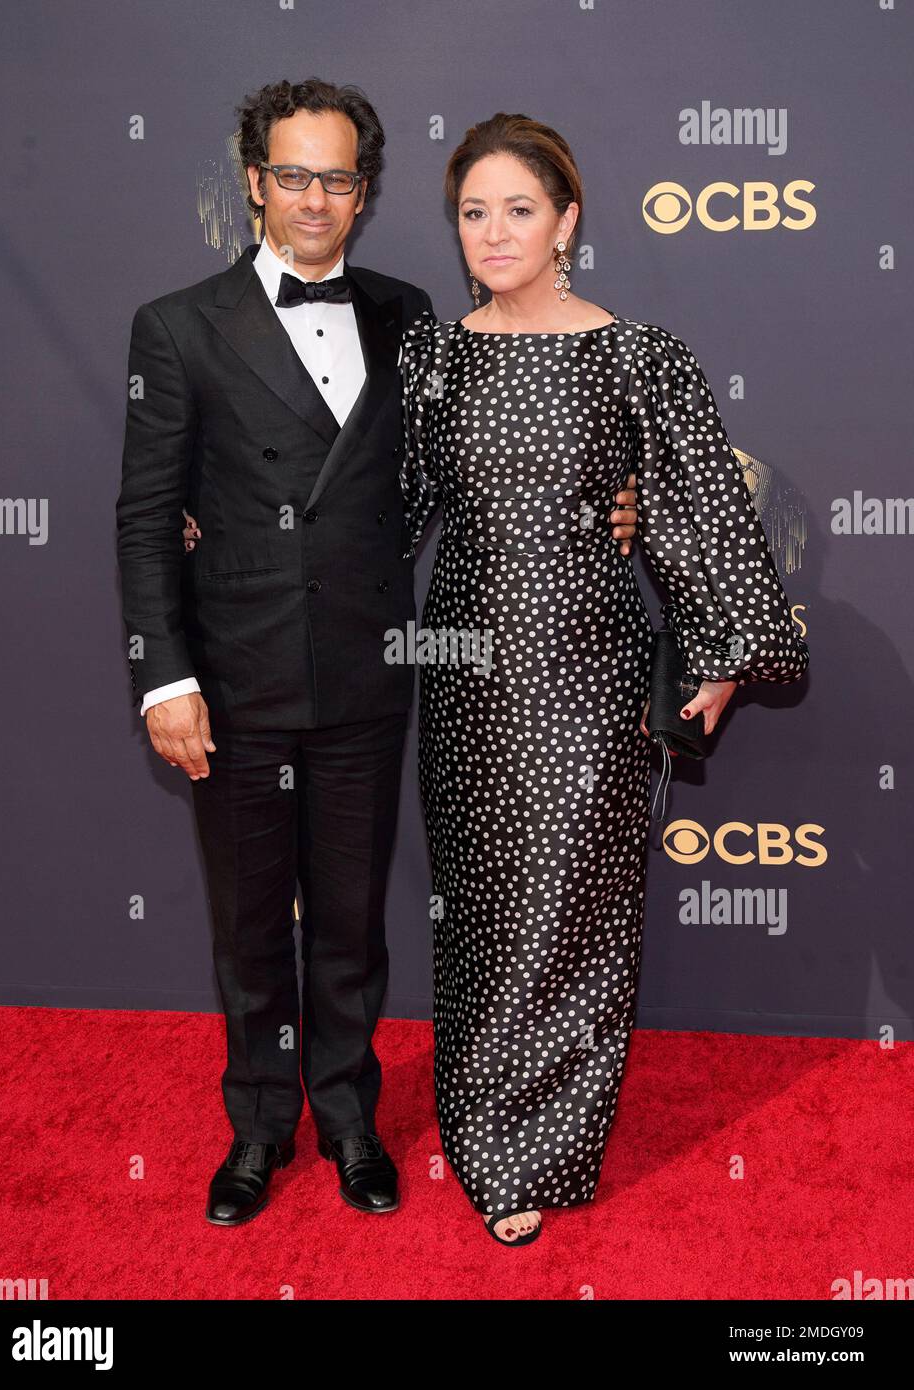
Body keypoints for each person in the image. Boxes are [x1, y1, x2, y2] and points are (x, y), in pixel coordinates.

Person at [116, 79, 640, 1228]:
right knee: (251, 927)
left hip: (368, 675)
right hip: (238, 677)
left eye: (338, 177)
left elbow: (502, 446)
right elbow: (147, 515)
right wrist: (165, 673)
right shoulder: (178, 325)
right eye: (294, 175)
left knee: (350, 925)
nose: (316, 199)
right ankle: (258, 1128)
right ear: (253, 182)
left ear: (366, 191)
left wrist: (613, 502)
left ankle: (350, 1120)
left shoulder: (415, 322)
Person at [398, 112, 810, 1246]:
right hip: (468, 667)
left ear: (567, 220)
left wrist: (720, 660)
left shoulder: (638, 354)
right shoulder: (433, 356)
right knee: (481, 906)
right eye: (472, 212)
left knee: (572, 908)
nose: (492, 231)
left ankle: (543, 1144)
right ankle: (481, 1127)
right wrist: (239, 538)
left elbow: (704, 513)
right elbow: (376, 515)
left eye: (517, 209)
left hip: (588, 667)